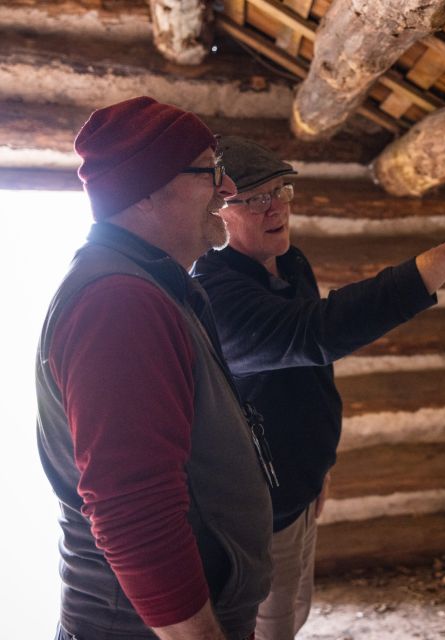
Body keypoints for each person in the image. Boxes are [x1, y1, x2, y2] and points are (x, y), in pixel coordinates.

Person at [192, 135, 445, 640]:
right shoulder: (215, 293)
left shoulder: (290, 264)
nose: (277, 207)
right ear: (218, 210)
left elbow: (314, 374)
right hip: (259, 508)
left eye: (282, 190)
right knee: (268, 626)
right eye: (256, 198)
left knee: (296, 610)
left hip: (300, 485)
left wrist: (321, 465)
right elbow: (317, 335)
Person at [36, 98, 275, 640]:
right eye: (211, 172)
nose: (229, 190)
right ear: (143, 191)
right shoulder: (117, 303)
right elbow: (133, 511)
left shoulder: (154, 286)